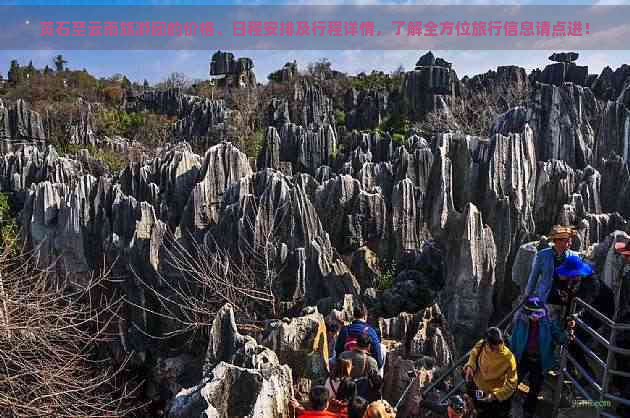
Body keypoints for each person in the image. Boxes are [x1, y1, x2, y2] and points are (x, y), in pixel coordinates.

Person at [508, 296, 569, 418]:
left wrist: (568, 334)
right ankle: (505, 408)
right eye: (532, 313)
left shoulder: (548, 323)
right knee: (512, 384)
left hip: (540, 360)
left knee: (535, 388)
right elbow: (514, 340)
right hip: (522, 358)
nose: (535, 316)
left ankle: (528, 412)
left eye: (538, 313)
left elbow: (560, 338)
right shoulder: (520, 321)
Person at [462, 327, 517, 418]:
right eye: (490, 346)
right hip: (477, 388)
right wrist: (470, 367)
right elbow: (474, 353)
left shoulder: (509, 358)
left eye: (495, 346)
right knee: (473, 409)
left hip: (491, 396)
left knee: (487, 413)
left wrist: (495, 396)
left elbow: (512, 384)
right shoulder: (482, 344)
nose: (493, 349)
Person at [525, 225, 579, 307]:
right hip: (546, 297)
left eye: (570, 241)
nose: (570, 243)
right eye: (567, 241)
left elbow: (578, 278)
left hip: (565, 299)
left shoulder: (574, 256)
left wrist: (569, 276)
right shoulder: (542, 255)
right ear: (557, 241)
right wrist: (528, 294)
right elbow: (533, 277)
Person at [336, 303, 384, 371]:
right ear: (365, 316)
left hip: (346, 370)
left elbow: (338, 351)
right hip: (365, 369)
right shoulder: (371, 331)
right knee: (382, 348)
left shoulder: (345, 330)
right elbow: (378, 357)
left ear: (353, 316)